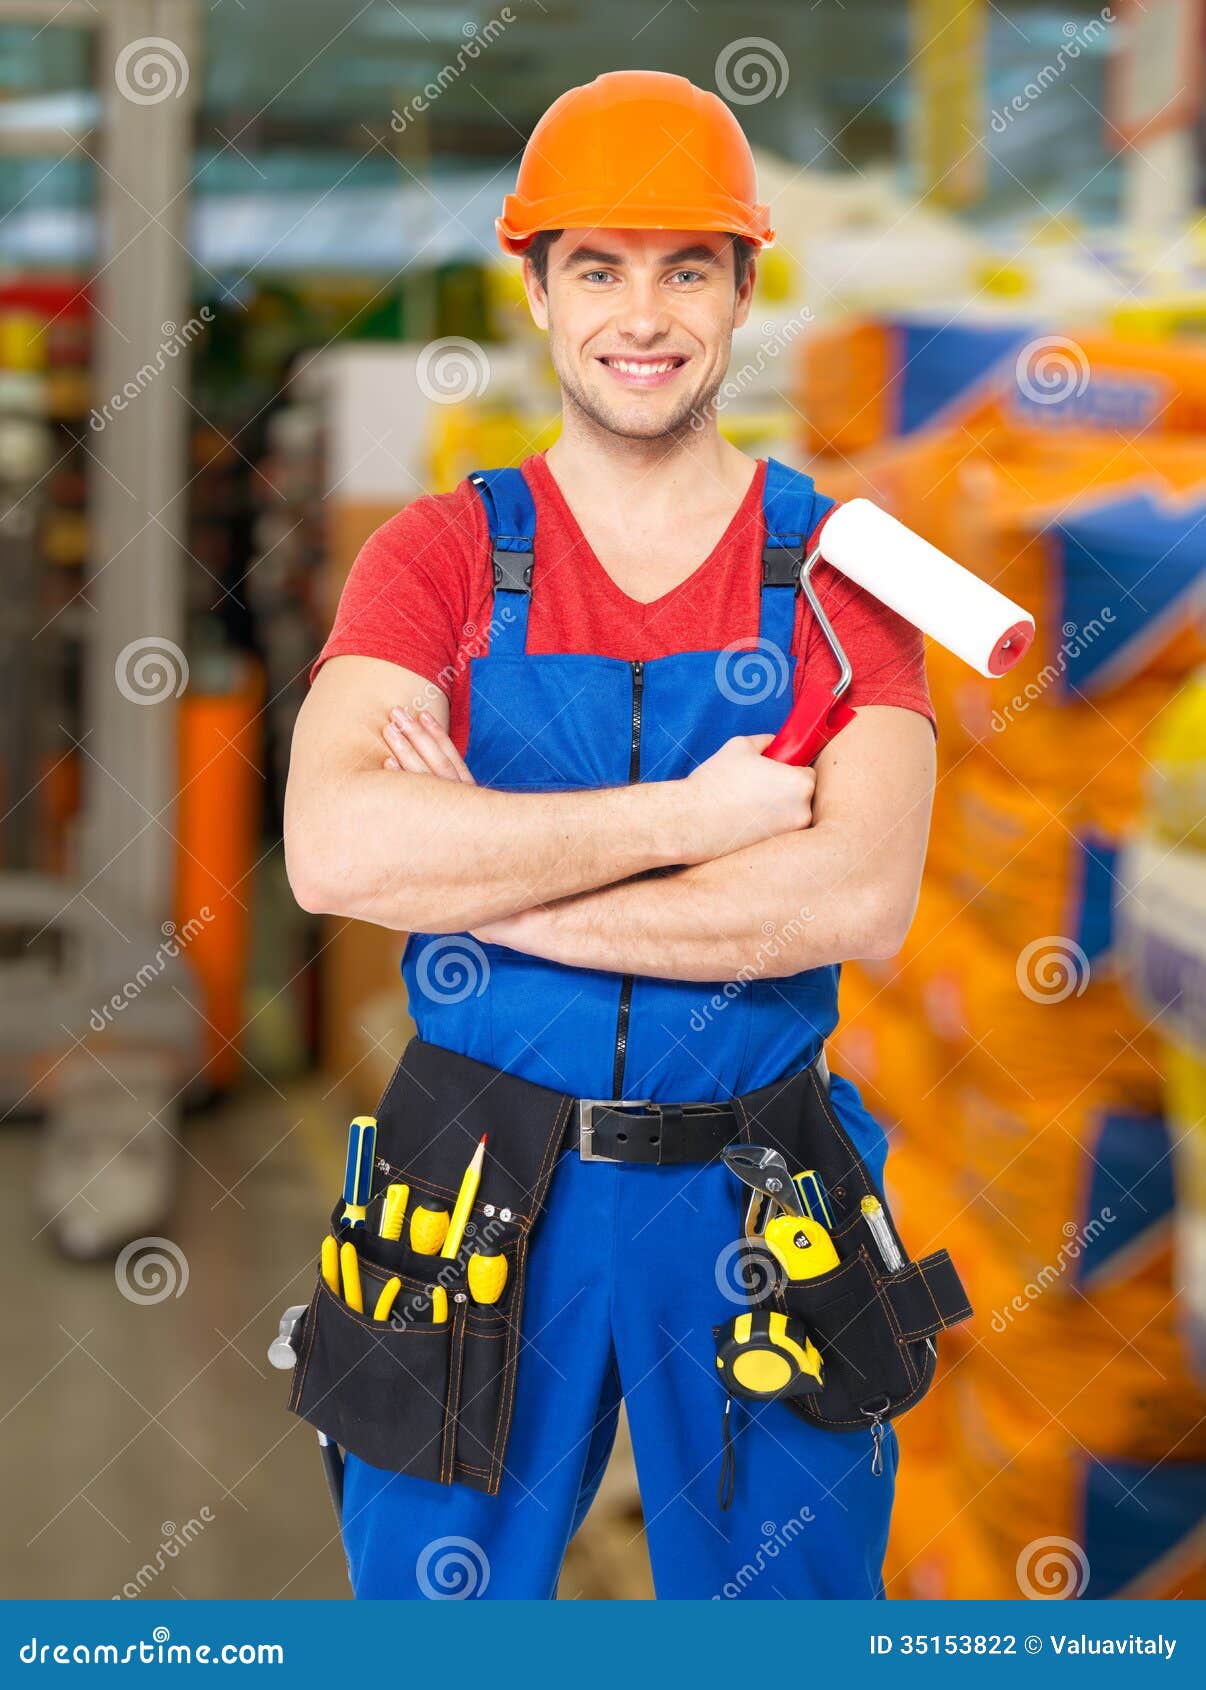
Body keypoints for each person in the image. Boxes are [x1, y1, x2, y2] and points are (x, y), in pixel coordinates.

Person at [285, 70, 936, 1600]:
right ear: (535, 288)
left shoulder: (846, 575)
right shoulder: (434, 558)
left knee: (787, 1627)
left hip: (758, 1187)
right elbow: (331, 849)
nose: (639, 315)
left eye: (684, 268)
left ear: (740, 289)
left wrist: (473, 871)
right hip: (471, 1184)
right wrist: (692, 824)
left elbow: (855, 896)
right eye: (597, 267)